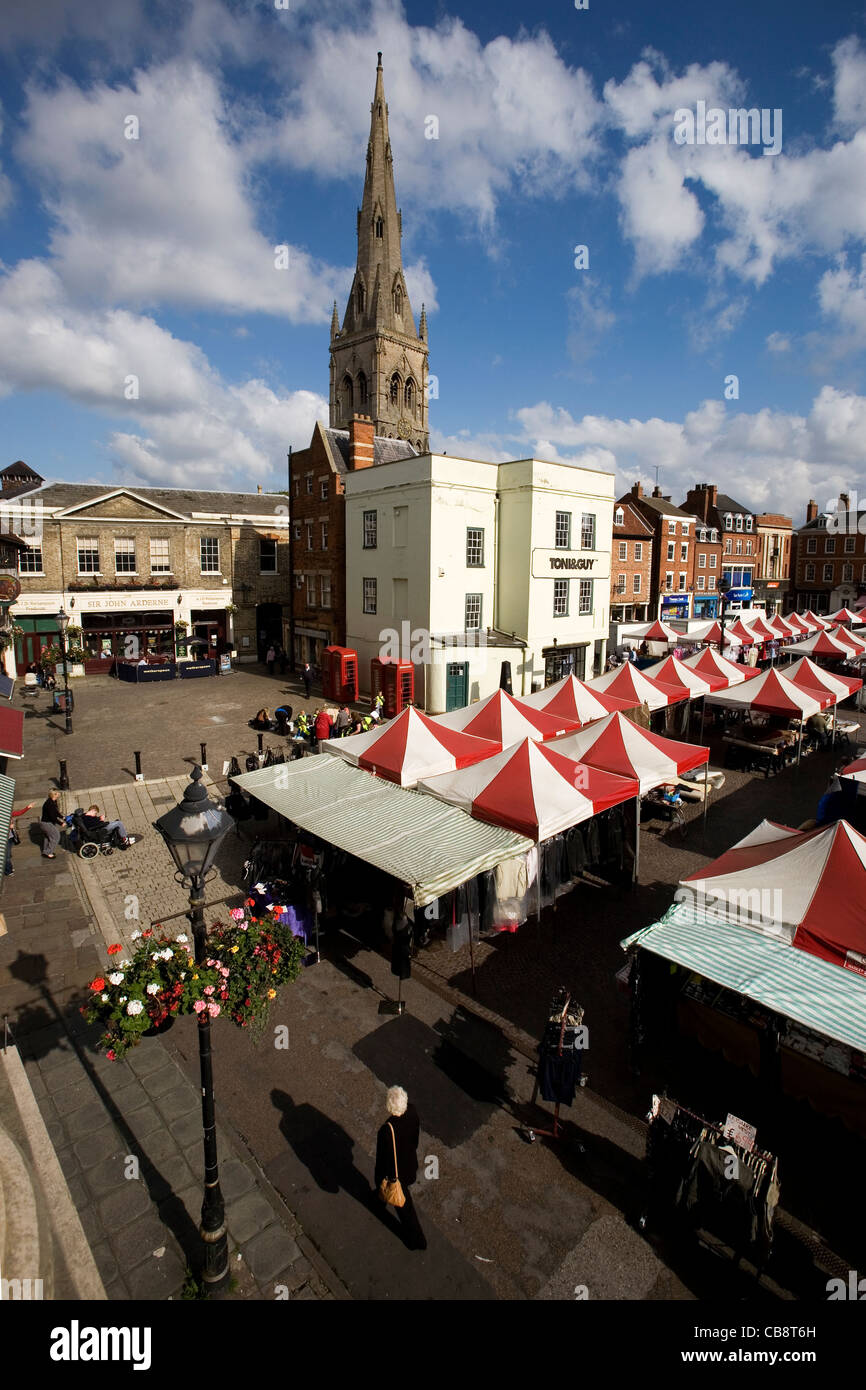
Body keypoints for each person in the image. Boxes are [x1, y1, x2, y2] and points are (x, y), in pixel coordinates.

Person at [374, 1085, 426, 1251]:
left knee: (405, 1208)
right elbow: (415, 1141)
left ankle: (418, 1241)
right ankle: (379, 1200)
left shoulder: (386, 1130)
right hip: (410, 1164)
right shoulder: (412, 1111)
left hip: (396, 1174)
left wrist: (380, 1176)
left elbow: (383, 1159)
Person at [6, 802, 34, 874]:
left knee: (9, 853)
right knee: (7, 856)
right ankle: (8, 870)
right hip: (6, 838)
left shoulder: (8, 813)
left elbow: (18, 813)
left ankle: (9, 868)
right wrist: (8, 827)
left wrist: (28, 807)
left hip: (11, 836)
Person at [40, 789, 64, 858]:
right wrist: (61, 823)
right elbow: (53, 817)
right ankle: (48, 852)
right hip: (47, 824)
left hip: (45, 823)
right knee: (56, 836)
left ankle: (45, 851)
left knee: (48, 837)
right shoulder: (50, 804)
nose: (59, 794)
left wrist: (62, 817)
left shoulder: (52, 801)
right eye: (57, 793)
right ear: (54, 794)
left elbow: (55, 812)